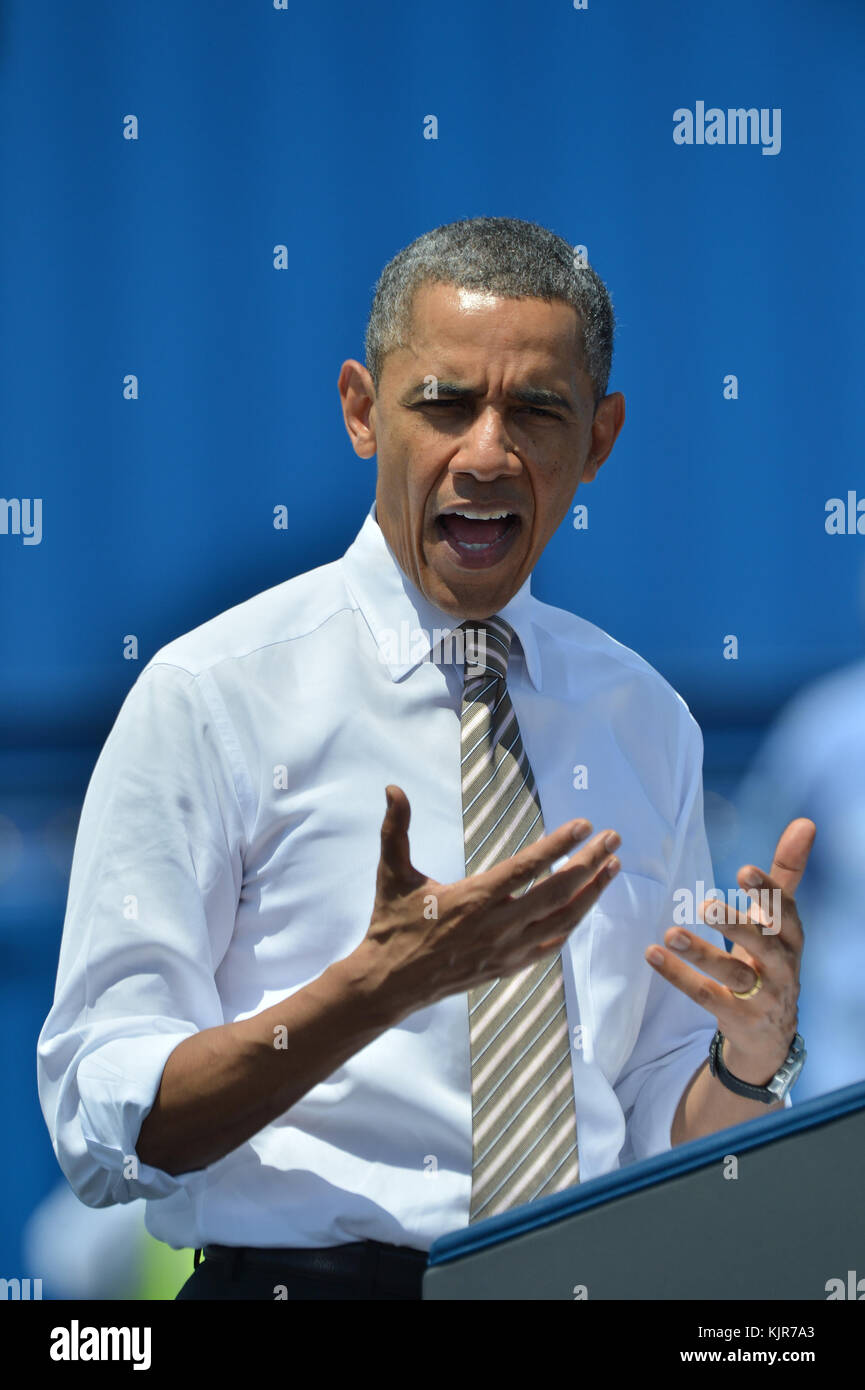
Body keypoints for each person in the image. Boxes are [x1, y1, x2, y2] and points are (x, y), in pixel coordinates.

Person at [37, 217, 814, 1301]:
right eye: (445, 403)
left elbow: (654, 1134)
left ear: (598, 438)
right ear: (362, 410)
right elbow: (101, 1116)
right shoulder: (213, 696)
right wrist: (374, 987)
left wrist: (748, 1048)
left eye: (537, 410)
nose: (487, 451)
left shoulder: (646, 720)